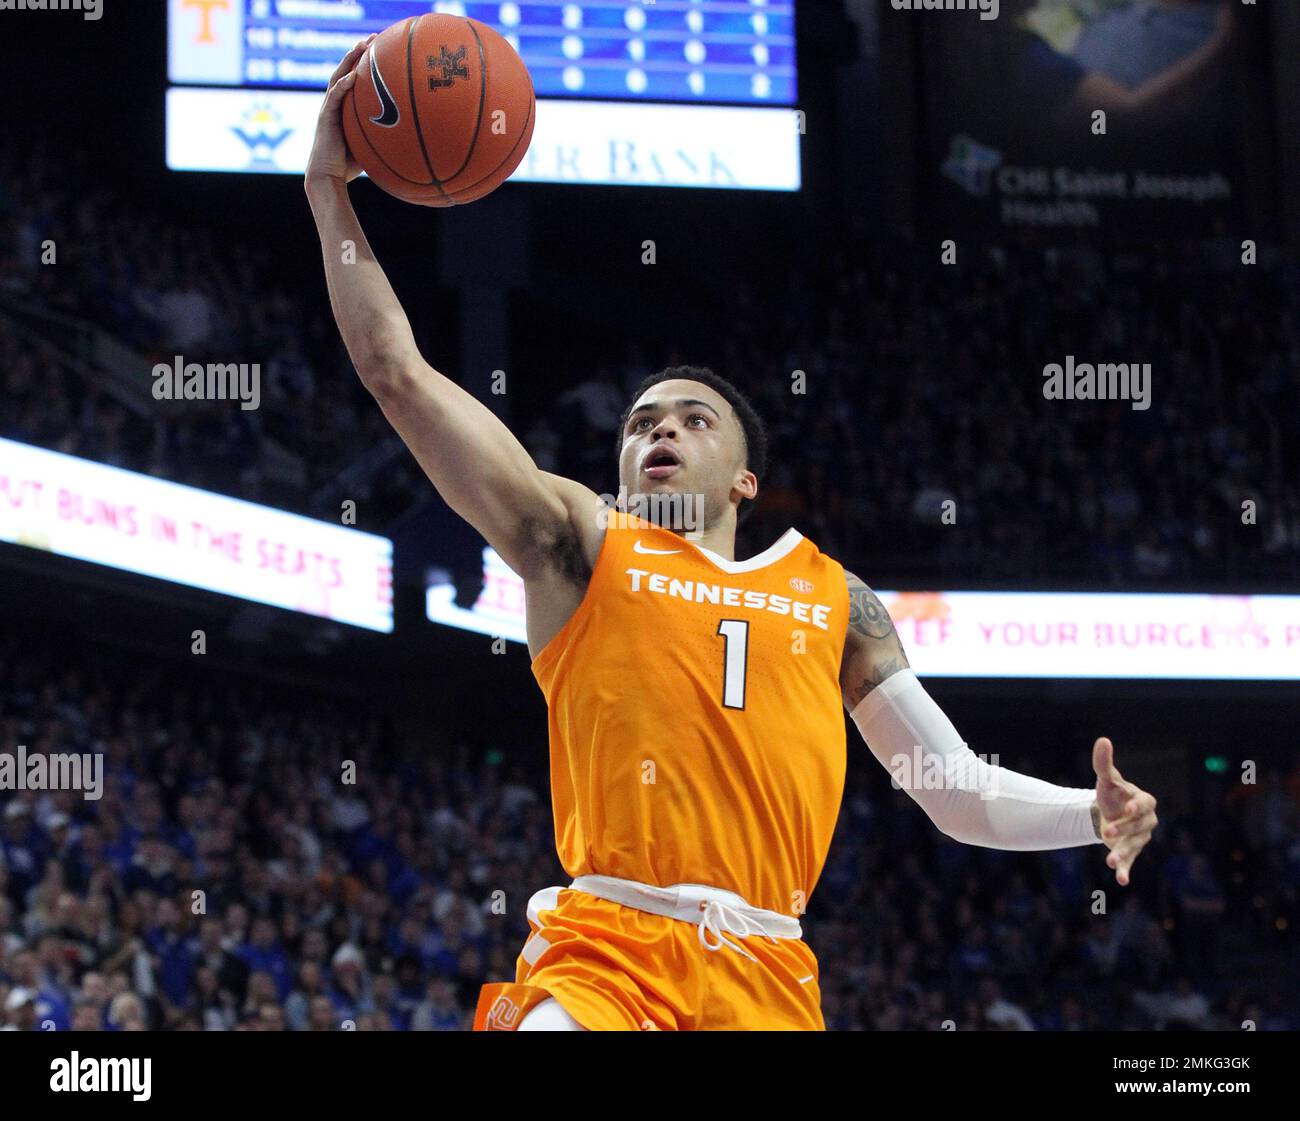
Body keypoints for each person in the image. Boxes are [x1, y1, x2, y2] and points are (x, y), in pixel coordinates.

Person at [304, 39, 1159, 1031]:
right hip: (606, 956)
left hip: (766, 972)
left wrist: (1084, 814)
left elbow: (953, 787)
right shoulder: (579, 542)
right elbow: (395, 372)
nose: (657, 428)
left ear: (746, 478)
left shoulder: (835, 596)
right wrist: (330, 188)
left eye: (690, 418)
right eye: (639, 422)